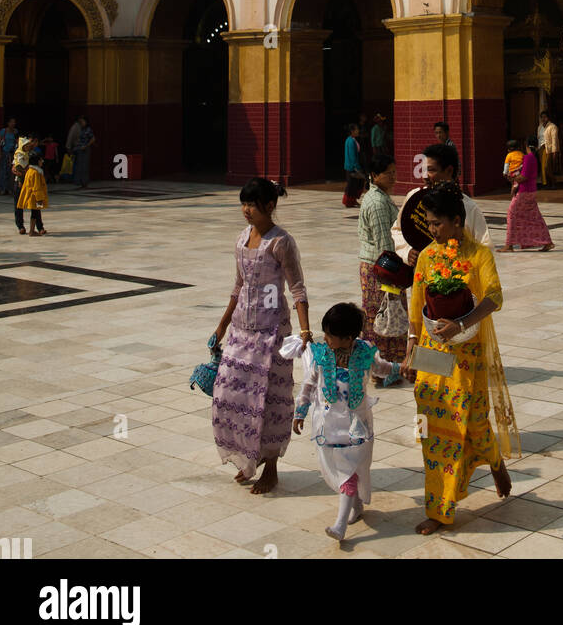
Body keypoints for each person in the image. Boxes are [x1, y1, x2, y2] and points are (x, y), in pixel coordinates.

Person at [402, 184, 519, 535]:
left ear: (456, 221)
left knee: (471, 424)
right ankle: (440, 508)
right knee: (434, 429)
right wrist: (410, 352)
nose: (433, 230)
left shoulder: (477, 255)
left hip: (467, 353)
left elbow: (495, 297)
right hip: (432, 352)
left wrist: (462, 323)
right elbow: (415, 307)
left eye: (438, 223)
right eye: (430, 223)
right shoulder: (426, 257)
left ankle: (493, 463)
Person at [211, 176, 312, 494]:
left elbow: (297, 289)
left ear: (270, 206)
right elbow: (238, 285)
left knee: (269, 401)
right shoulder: (241, 239)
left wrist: (306, 330)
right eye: (243, 203)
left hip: (272, 333)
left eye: (251, 204)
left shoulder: (282, 242)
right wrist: (223, 324)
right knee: (232, 396)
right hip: (242, 330)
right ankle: (247, 458)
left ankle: (271, 467)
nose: (246, 210)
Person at [291, 302, 401, 543]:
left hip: (356, 425)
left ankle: (340, 525)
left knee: (347, 472)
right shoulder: (322, 354)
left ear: (348, 337)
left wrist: (401, 368)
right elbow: (309, 384)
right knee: (344, 469)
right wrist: (300, 411)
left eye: (331, 335)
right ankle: (356, 504)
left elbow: (381, 369)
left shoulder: (364, 353)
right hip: (329, 424)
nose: (327, 338)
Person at [390, 142, 490, 267]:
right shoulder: (414, 198)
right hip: (421, 276)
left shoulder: (469, 208)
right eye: (424, 169)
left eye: (431, 170)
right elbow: (397, 230)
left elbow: (484, 247)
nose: (424, 176)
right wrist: (407, 251)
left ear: (449, 171)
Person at [357, 152, 406, 371]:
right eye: (388, 174)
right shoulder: (377, 202)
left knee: (384, 315)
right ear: (374, 175)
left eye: (395, 172)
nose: (393, 177)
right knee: (384, 316)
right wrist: (393, 278)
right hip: (381, 269)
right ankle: (384, 366)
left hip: (378, 267)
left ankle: (385, 365)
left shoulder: (379, 196)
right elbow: (383, 245)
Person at [499, 136, 554, 252]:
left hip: (524, 191)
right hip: (531, 190)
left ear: (527, 145)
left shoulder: (528, 158)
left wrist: (512, 178)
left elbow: (523, 177)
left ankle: (509, 245)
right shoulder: (533, 157)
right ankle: (547, 242)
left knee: (511, 214)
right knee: (534, 217)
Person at [17, 150, 49, 236]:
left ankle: (34, 229)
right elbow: (36, 187)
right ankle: (32, 231)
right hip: (35, 198)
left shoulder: (30, 170)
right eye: (40, 160)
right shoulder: (35, 172)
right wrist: (39, 199)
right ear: (36, 161)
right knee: (35, 213)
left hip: (33, 196)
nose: (42, 161)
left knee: (35, 213)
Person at [342, 123, 366, 208]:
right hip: (352, 167)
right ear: (352, 131)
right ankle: (348, 202)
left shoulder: (351, 139)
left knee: (356, 184)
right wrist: (357, 167)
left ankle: (353, 201)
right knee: (352, 185)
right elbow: (352, 155)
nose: (358, 131)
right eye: (356, 129)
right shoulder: (351, 141)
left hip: (351, 166)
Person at [70, 116, 95, 188]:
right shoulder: (80, 129)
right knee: (79, 166)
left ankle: (85, 183)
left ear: (86, 122)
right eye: (80, 122)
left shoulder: (88, 129)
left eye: (82, 121)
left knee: (84, 167)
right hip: (79, 149)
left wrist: (86, 145)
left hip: (85, 150)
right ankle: (80, 182)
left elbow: (93, 139)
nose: (81, 123)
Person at [538, 110, 559, 187]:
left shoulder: (552, 127)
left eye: (545, 117)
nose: (543, 119)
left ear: (548, 118)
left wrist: (554, 152)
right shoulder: (539, 127)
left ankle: (553, 182)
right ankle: (547, 184)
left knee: (547, 167)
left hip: (548, 150)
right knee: (543, 169)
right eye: (542, 117)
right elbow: (539, 138)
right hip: (541, 149)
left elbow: (554, 140)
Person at [0, 117, 17, 195]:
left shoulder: (15, 131)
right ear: (8, 123)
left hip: (12, 154)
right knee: (3, 171)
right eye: (11, 122)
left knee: (11, 172)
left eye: (14, 122)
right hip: (5, 153)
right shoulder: (3, 131)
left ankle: (9, 189)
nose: (13, 123)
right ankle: (2, 188)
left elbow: (16, 142)